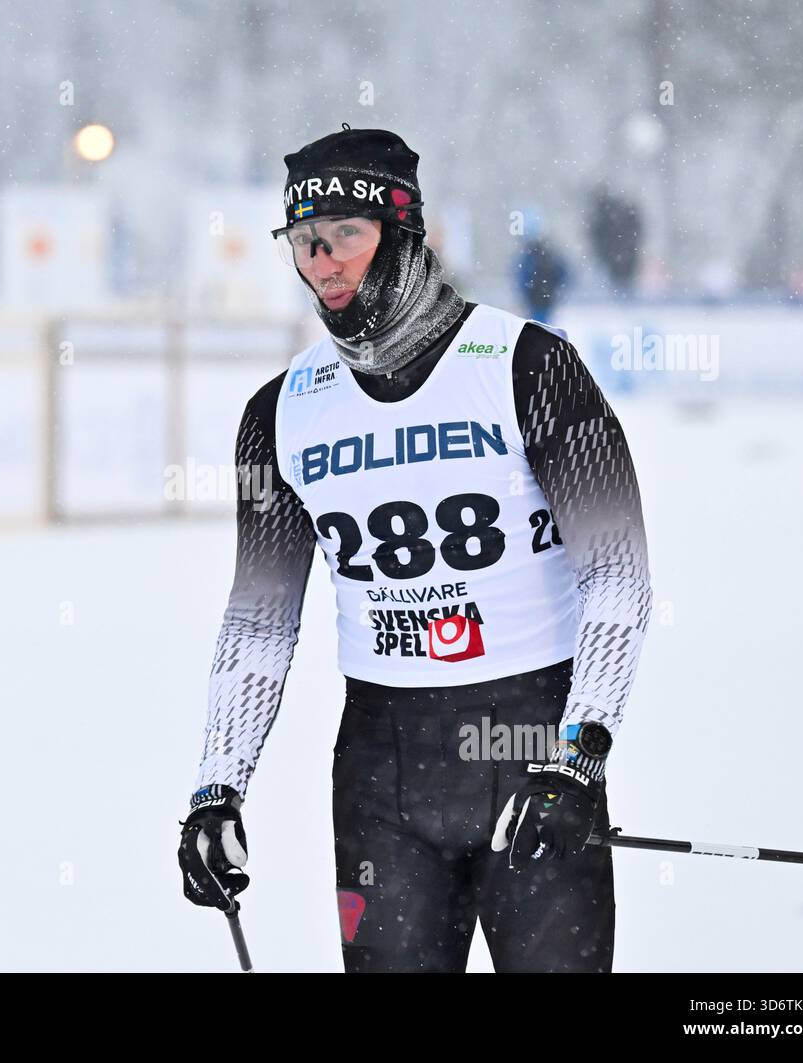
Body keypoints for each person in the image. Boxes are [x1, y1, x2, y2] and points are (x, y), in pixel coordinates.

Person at [177, 125, 653, 973]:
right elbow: (258, 623)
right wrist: (218, 787)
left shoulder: (526, 366)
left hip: (531, 745)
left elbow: (616, 573)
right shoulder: (280, 414)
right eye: (304, 243)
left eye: (345, 238)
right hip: (382, 767)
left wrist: (582, 753)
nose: (323, 263)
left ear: (404, 232)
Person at [514, 235, 570, 324]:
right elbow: (563, 273)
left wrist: (525, 292)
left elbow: (522, 278)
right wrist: (557, 288)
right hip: (547, 295)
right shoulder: (551, 256)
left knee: (535, 322)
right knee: (543, 322)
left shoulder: (529, 258)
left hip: (534, 297)